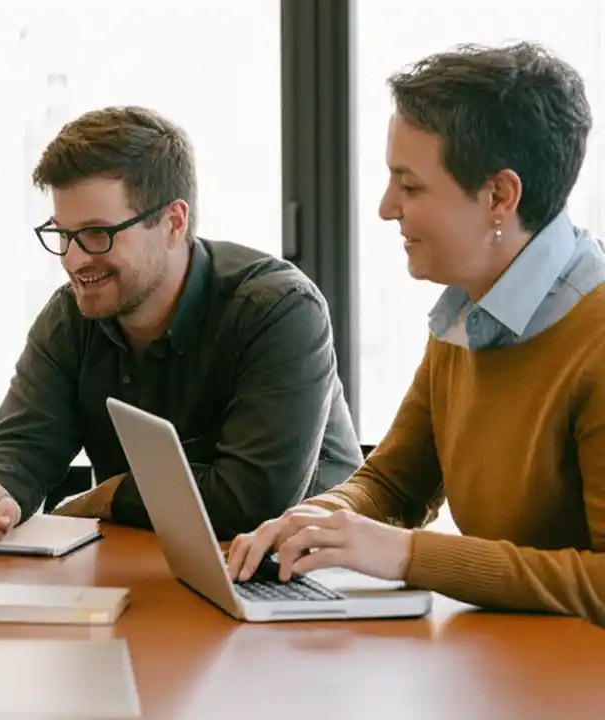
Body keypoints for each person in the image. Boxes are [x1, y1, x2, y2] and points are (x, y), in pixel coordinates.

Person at [227, 42, 605, 626]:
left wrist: (404, 554)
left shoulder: (595, 338)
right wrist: (322, 521)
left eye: (410, 185)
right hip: (505, 663)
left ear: (500, 196)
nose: (385, 207)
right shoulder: (469, 308)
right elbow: (394, 481)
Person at [0, 106, 363, 545]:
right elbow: (22, 443)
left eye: (97, 233)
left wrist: (110, 496)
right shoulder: (73, 314)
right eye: (62, 233)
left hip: (305, 579)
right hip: (152, 564)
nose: (73, 259)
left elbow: (252, 500)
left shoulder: (279, 309)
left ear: (173, 223)